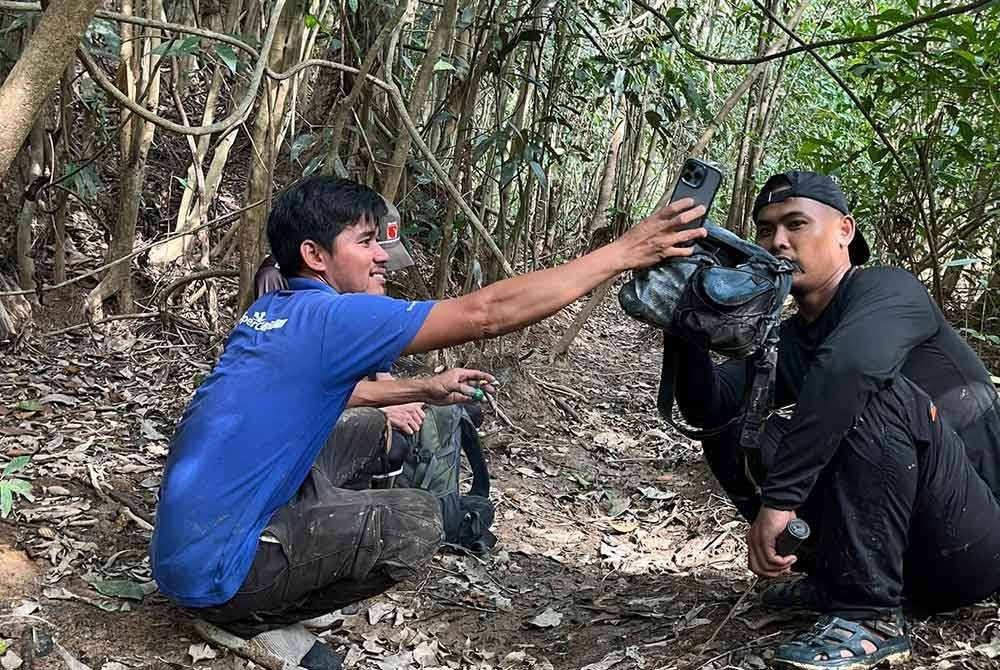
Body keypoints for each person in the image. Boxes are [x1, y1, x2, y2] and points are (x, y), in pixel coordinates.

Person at [151, 176, 707, 668]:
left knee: (373, 428)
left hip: (185, 551)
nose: (382, 257)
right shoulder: (333, 316)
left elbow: (320, 391)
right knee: (417, 520)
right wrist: (623, 252)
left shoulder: (271, 313)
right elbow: (487, 314)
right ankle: (257, 616)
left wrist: (421, 389)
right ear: (315, 255)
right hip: (218, 577)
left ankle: (283, 560)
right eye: (366, 243)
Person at [667, 171, 1000, 670]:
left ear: (844, 231)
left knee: (874, 390)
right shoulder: (790, 337)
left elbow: (849, 368)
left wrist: (780, 500)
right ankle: (832, 575)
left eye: (796, 224)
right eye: (765, 229)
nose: (778, 241)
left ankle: (871, 618)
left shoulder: (890, 289)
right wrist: (687, 319)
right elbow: (711, 408)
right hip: (899, 551)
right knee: (736, 428)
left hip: (969, 546)